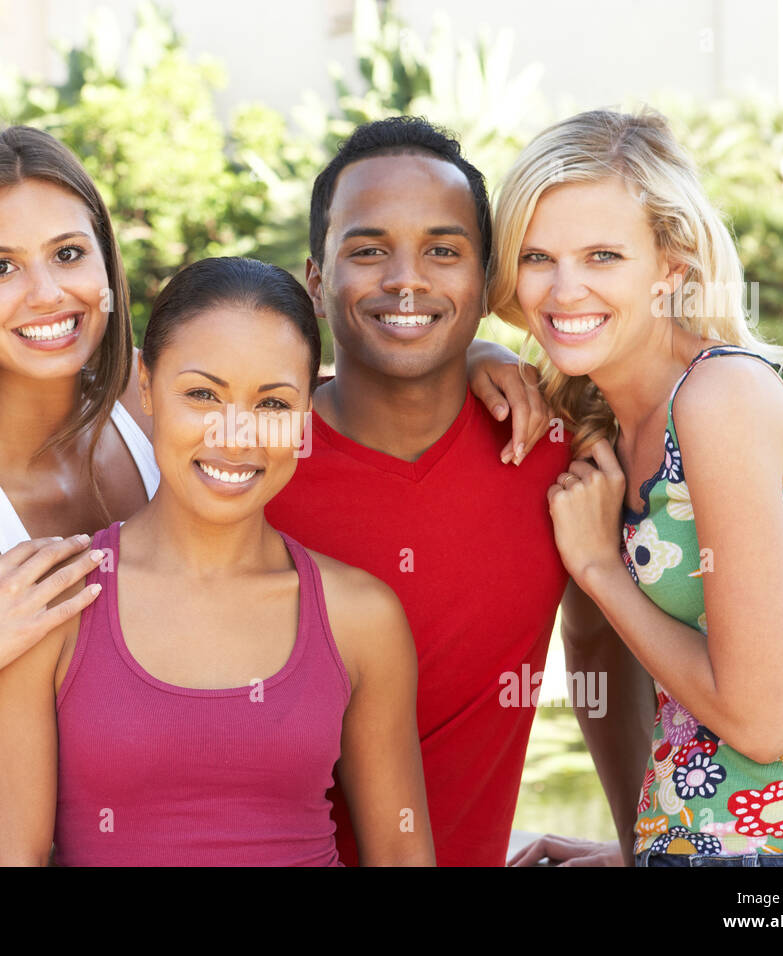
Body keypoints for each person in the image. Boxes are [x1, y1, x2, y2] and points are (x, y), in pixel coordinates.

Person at [0, 124, 535, 865]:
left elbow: (266, 374)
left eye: (69, 254)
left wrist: (464, 355)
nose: (47, 293)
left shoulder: (152, 400)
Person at [496, 108, 783, 865]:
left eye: (603, 256)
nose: (564, 289)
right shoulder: (601, 426)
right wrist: (640, 844)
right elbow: (601, 653)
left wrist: (598, 569)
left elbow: (760, 722)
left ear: (672, 268)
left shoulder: (718, 398)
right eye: (536, 256)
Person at [0, 256, 433, 865]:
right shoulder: (52, 603)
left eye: (272, 404)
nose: (235, 436)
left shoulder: (361, 616)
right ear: (147, 387)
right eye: (203, 394)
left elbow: (401, 851)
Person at [260, 116, 645, 867]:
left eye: (444, 251)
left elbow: (599, 646)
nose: (407, 279)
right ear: (316, 279)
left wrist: (643, 845)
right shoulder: (250, 462)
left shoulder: (555, 453)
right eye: (368, 250)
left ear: (482, 279)